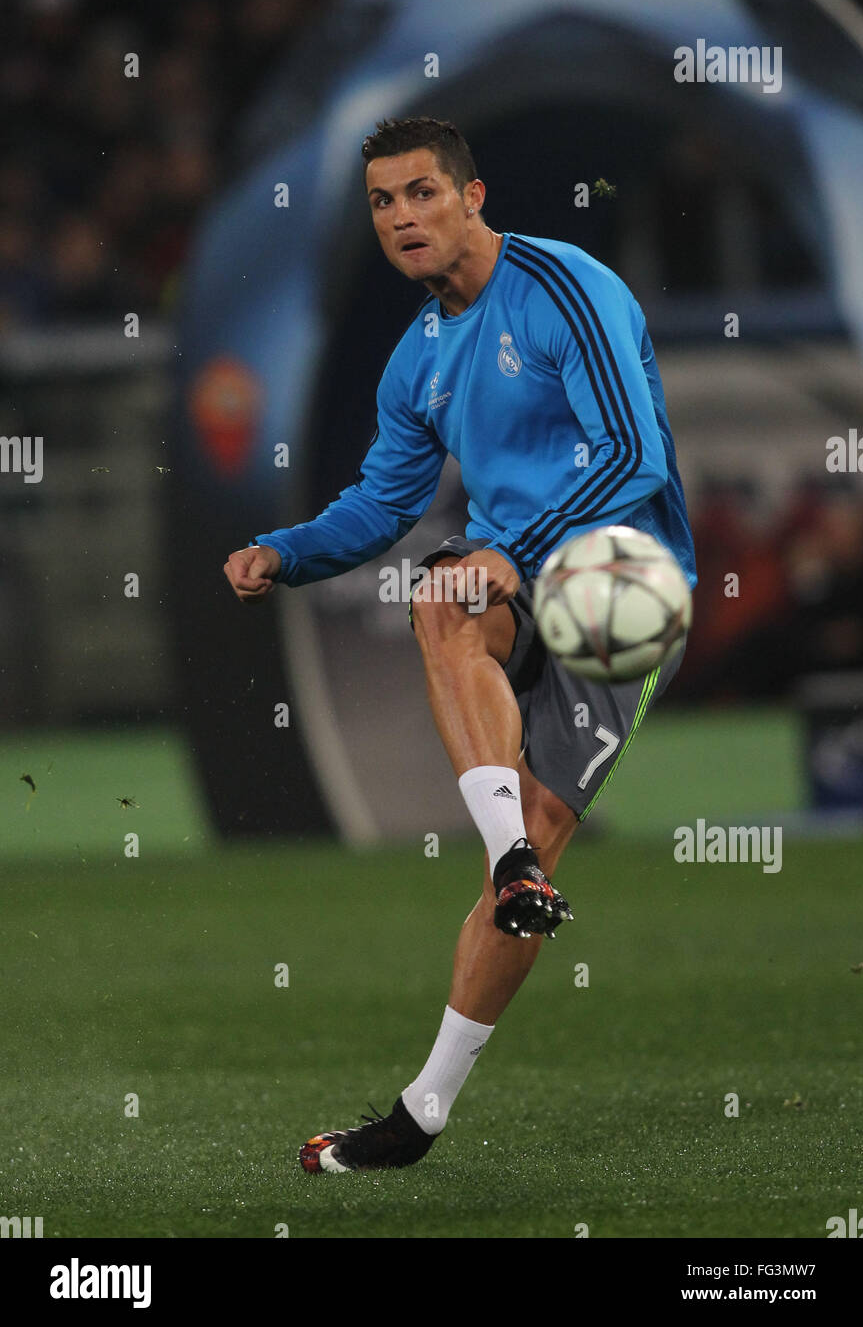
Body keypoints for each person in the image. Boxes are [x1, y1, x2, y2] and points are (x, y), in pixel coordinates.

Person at [223, 116, 697, 1173]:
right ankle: (424, 1107)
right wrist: (283, 550)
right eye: (384, 202)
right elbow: (381, 502)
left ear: (472, 197)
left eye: (421, 193)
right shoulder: (416, 360)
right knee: (440, 604)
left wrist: (514, 548)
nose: (402, 217)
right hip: (514, 575)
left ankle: (506, 879)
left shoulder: (563, 284)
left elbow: (628, 451)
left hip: (622, 576)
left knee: (461, 597)